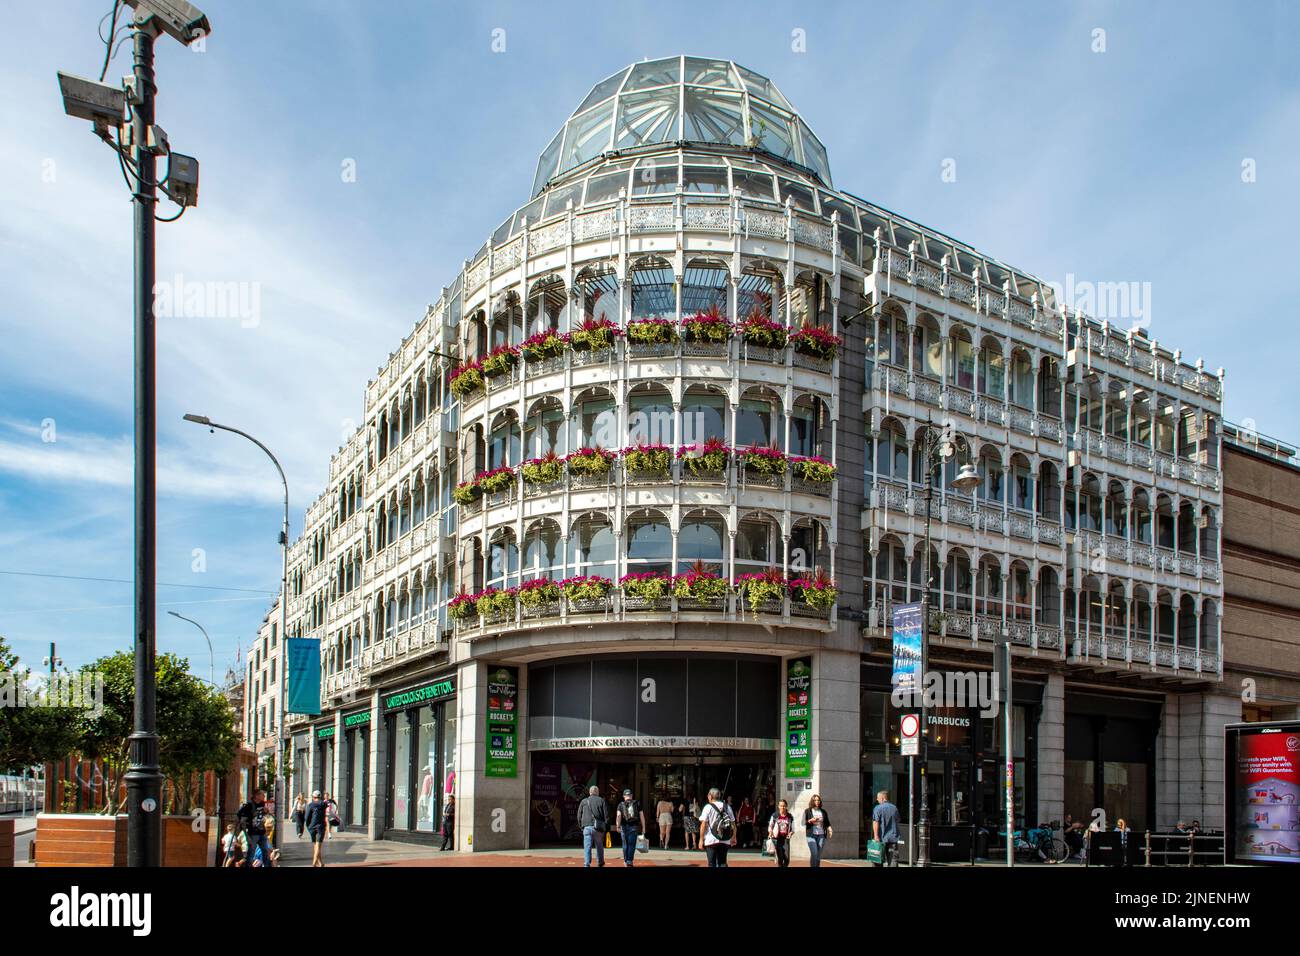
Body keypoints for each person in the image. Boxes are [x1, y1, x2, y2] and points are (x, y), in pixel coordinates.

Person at [699, 787, 737, 867]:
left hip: (711, 839)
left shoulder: (708, 807)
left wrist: (701, 840)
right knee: (722, 863)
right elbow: (733, 824)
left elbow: (703, 825)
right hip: (725, 839)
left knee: (711, 863)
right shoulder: (727, 807)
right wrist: (734, 837)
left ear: (710, 796)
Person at [236, 789, 272, 869]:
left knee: (266, 851)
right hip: (253, 833)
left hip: (262, 832)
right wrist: (247, 835)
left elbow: (262, 815)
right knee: (251, 852)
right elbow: (240, 817)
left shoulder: (262, 804)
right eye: (262, 795)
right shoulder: (248, 806)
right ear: (256, 796)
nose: (264, 796)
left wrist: (266, 812)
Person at [577, 785, 609, 867]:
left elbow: (579, 815)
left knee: (587, 846)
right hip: (598, 827)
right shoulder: (601, 800)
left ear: (590, 792)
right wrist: (605, 826)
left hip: (586, 827)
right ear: (597, 792)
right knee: (599, 846)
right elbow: (606, 815)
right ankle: (600, 862)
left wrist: (581, 826)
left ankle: (587, 863)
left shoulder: (584, 801)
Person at [616, 789, 647, 866]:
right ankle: (630, 861)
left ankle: (626, 860)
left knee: (625, 844)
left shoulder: (620, 805)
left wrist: (618, 826)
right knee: (631, 844)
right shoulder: (637, 803)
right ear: (631, 796)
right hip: (634, 827)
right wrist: (643, 827)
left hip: (623, 827)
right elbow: (641, 816)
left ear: (624, 796)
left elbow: (619, 816)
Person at [871, 790, 900, 867]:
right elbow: (897, 820)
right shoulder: (894, 808)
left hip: (880, 839)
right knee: (893, 860)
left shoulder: (877, 808)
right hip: (893, 838)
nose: (877, 799)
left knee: (877, 861)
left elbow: (875, 822)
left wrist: (876, 836)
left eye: (878, 798)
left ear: (883, 798)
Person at [803, 793, 832, 868]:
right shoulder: (807, 811)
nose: (817, 801)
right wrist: (810, 820)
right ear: (812, 801)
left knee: (818, 855)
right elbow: (803, 823)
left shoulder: (823, 811)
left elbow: (827, 823)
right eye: (815, 800)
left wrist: (830, 830)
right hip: (811, 835)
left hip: (821, 835)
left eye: (818, 800)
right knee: (814, 853)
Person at [767, 799, 795, 868]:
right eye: (781, 806)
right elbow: (770, 825)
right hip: (777, 838)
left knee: (787, 859)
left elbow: (793, 828)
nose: (783, 807)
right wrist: (770, 832)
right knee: (780, 857)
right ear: (778, 806)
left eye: (784, 806)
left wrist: (790, 833)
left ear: (786, 806)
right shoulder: (775, 815)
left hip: (786, 839)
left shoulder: (790, 816)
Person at [304, 789, 328, 867]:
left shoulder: (310, 805)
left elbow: (307, 817)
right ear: (320, 796)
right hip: (320, 826)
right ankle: (315, 863)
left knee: (316, 845)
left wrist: (308, 826)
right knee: (318, 845)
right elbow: (326, 804)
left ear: (313, 797)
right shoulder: (323, 804)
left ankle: (319, 863)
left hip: (312, 827)